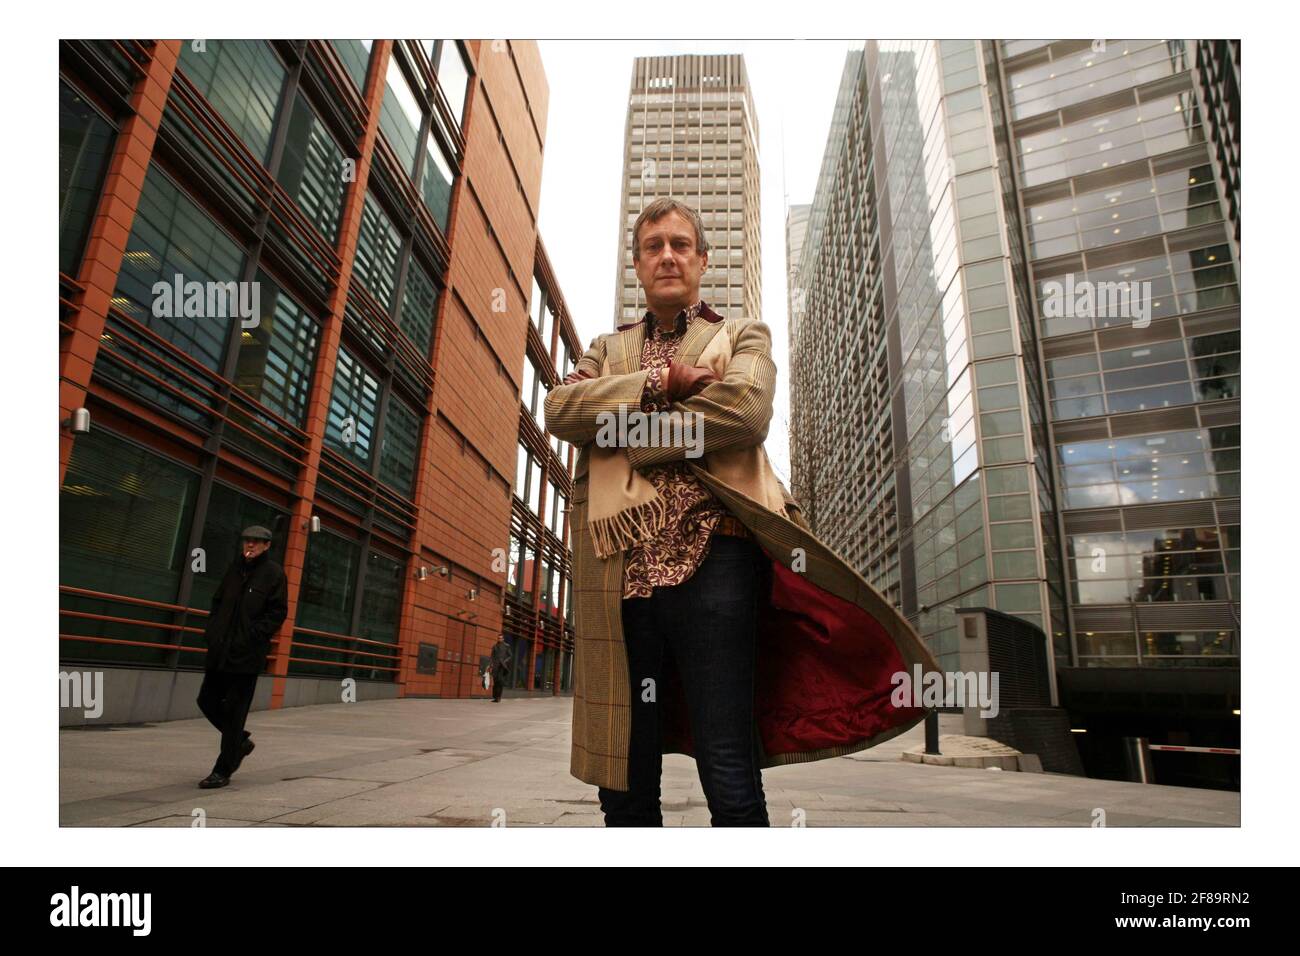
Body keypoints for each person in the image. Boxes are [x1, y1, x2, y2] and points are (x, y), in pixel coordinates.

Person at [545, 197, 940, 827]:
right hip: (616, 572)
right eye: (654, 247)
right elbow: (563, 410)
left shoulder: (742, 335)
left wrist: (631, 437)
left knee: (727, 763)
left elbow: (744, 412)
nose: (668, 256)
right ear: (638, 265)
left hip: (718, 566)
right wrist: (660, 384)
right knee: (621, 767)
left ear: (703, 261)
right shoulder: (605, 348)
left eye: (681, 245)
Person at [195, 525, 288, 789]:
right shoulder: (234, 570)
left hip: (246, 656)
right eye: (247, 540)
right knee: (206, 700)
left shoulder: (273, 574)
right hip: (220, 652)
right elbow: (217, 602)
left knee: (236, 711)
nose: (251, 545)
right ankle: (240, 741)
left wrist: (254, 636)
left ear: (267, 546)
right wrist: (212, 632)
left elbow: (278, 612)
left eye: (257, 542)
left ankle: (222, 770)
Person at [486, 636, 512, 702]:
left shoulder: (507, 646)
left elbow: (510, 655)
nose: (499, 639)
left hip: (502, 667)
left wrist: (504, 661)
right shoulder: (494, 646)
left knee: (500, 682)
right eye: (498, 638)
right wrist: (490, 665)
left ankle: (498, 697)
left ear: (503, 639)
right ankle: (495, 697)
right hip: (495, 666)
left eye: (501, 638)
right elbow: (492, 656)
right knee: (495, 682)